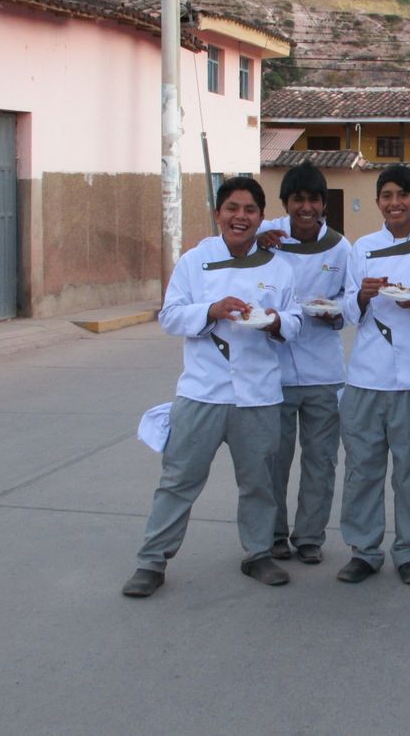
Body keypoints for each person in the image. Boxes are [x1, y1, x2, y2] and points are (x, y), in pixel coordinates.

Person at [122, 177, 302, 598]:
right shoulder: (195, 261)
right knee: (179, 480)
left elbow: (295, 322)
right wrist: (212, 310)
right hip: (202, 393)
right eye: (232, 209)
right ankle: (152, 561)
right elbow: (169, 317)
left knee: (259, 481)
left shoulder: (279, 267)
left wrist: (275, 320)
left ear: (261, 217)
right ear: (219, 214)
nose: (240, 217)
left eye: (250, 210)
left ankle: (258, 553)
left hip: (258, 396)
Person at [335, 165, 410, 586]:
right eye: (386, 195)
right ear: (378, 201)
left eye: (403, 194)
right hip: (366, 377)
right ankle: (364, 550)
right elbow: (346, 312)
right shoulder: (361, 248)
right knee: (362, 468)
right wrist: (361, 296)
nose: (394, 202)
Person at [257, 161, 351, 565]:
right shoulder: (268, 238)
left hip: (323, 372)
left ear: (324, 204)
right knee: (272, 461)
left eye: (314, 199)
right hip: (274, 370)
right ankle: (274, 534)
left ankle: (310, 535)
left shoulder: (341, 247)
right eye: (298, 199)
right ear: (285, 203)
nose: (306, 207)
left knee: (320, 459)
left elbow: (351, 300)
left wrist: (337, 312)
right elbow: (234, 259)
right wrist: (259, 241)